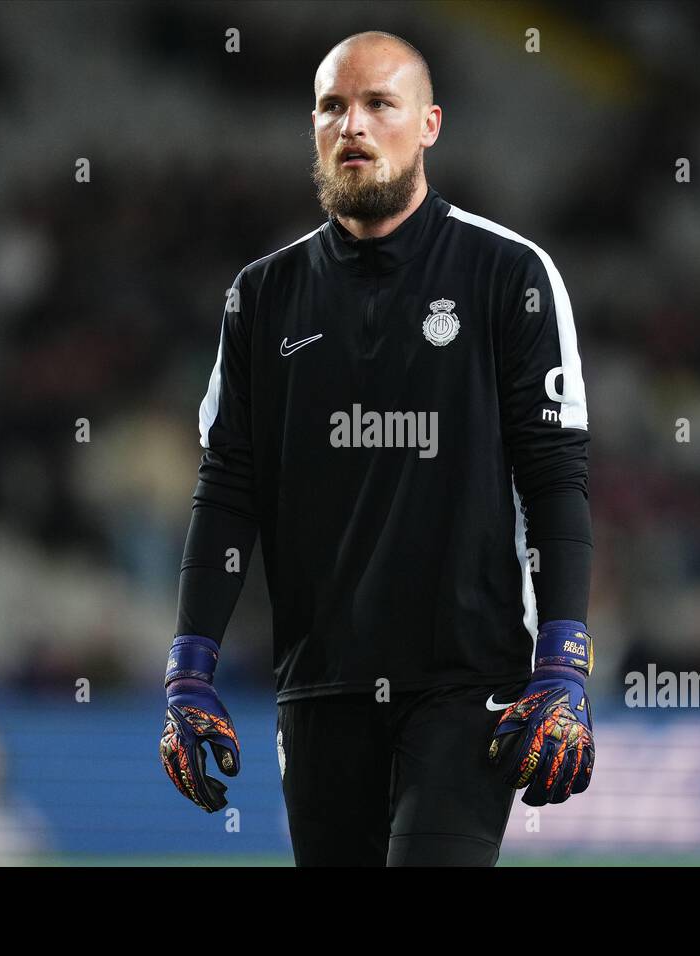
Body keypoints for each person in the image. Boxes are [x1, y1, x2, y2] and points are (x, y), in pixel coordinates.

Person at [160, 30, 595, 866]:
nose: (352, 125)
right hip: (320, 681)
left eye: (378, 105)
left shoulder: (510, 275)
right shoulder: (261, 296)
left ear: (428, 124)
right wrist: (189, 670)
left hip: (469, 680)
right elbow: (225, 490)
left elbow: (554, 481)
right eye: (332, 107)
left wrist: (564, 664)